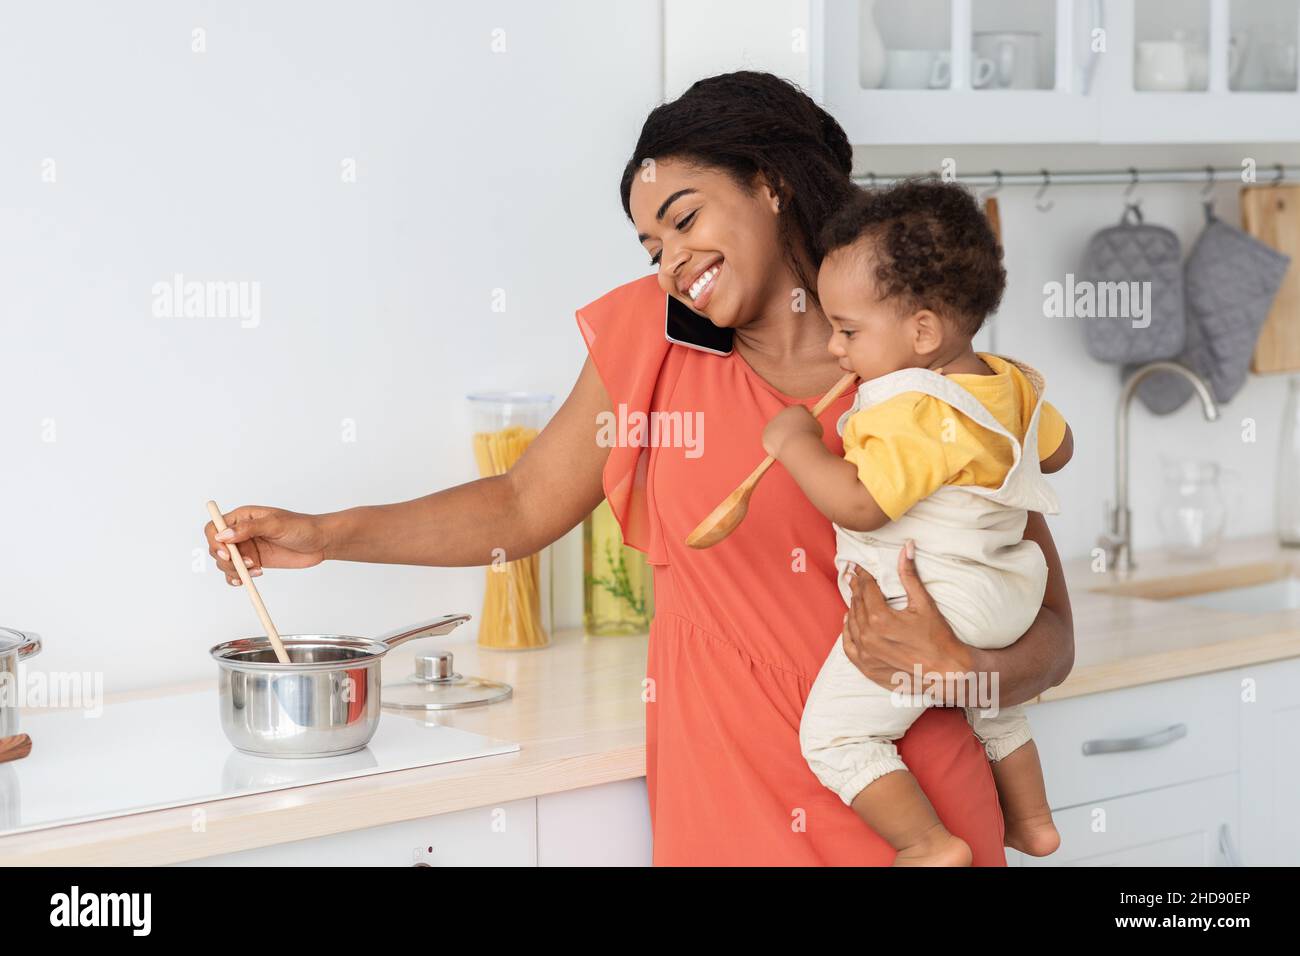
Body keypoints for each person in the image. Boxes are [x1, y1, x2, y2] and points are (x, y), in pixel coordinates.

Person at [204, 71, 1074, 865]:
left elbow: (1052, 633)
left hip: (919, 819)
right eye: (651, 245)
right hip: (727, 811)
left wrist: (959, 671)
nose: (672, 263)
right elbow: (518, 506)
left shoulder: (927, 373)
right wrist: (325, 535)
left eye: (687, 219)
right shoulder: (648, 340)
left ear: (770, 184)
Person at [762, 179, 1073, 865]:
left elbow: (859, 502)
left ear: (922, 331)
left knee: (836, 737)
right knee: (997, 708)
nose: (836, 348)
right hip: (1009, 594)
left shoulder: (911, 405)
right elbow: (1058, 449)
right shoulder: (1005, 380)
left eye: (847, 330)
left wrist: (796, 445)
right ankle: (1034, 823)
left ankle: (928, 844)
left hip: (939, 601)